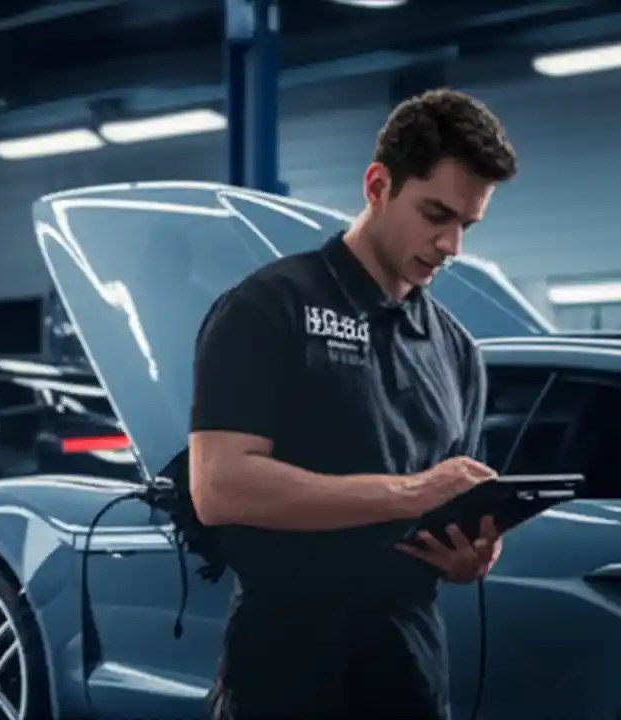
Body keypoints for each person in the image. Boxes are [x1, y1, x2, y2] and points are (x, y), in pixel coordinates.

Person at [189, 88, 518, 720]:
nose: (452, 245)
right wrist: (411, 493)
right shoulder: (268, 307)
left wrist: (468, 555)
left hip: (411, 666)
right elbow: (219, 486)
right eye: (435, 214)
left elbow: (449, 505)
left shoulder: (457, 351)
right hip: (286, 661)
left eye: (466, 225)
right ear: (377, 186)